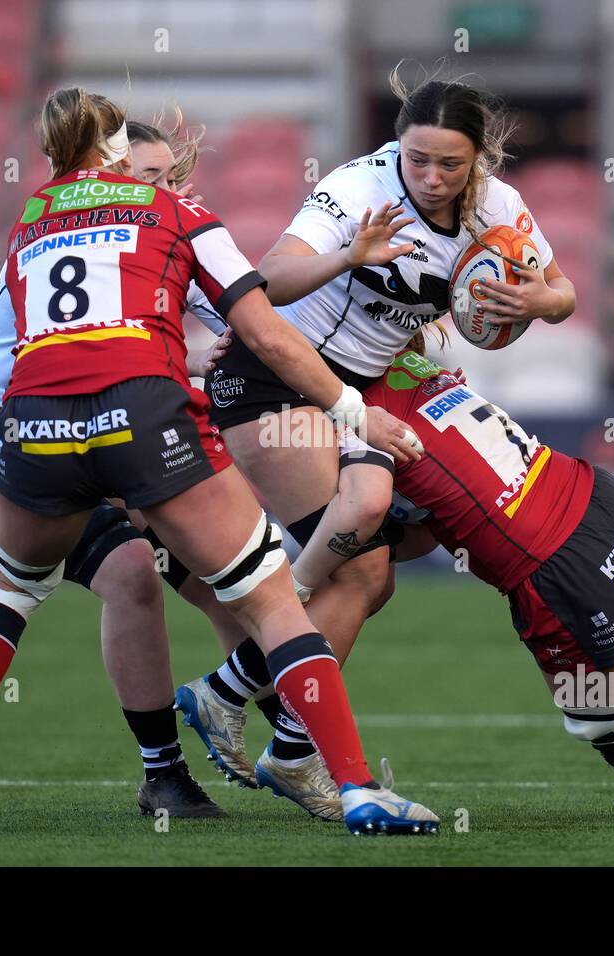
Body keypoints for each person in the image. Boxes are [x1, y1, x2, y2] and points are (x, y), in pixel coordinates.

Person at [0, 86, 438, 836]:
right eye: (152, 173)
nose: (170, 185)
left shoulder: (29, 221)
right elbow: (258, 328)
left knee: (16, 586)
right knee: (264, 596)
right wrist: (352, 410)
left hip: (30, 426)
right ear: (119, 160)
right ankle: (345, 783)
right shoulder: (174, 215)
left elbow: (92, 324)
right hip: (95, 420)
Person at [199, 344, 614, 820]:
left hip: (559, 570)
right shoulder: (416, 367)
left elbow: (365, 507)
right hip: (601, 502)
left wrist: (297, 582)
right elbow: (433, 523)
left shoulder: (361, 415)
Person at [176, 65, 575, 817]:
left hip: (351, 395)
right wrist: (348, 258)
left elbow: (563, 295)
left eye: (448, 164)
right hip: (271, 384)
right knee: (362, 571)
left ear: (478, 161)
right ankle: (278, 738)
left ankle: (238, 690)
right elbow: (272, 277)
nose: (428, 176)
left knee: (403, 549)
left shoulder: (498, 206)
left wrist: (535, 299)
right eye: (415, 157)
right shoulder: (359, 190)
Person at [0, 112, 238, 822]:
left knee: (225, 580)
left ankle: (278, 734)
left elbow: (248, 326)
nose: (156, 191)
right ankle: (162, 772)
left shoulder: (152, 236)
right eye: (140, 176)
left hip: (105, 423)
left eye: (165, 179)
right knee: (127, 573)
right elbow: (79, 353)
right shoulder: (79, 234)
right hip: (13, 434)